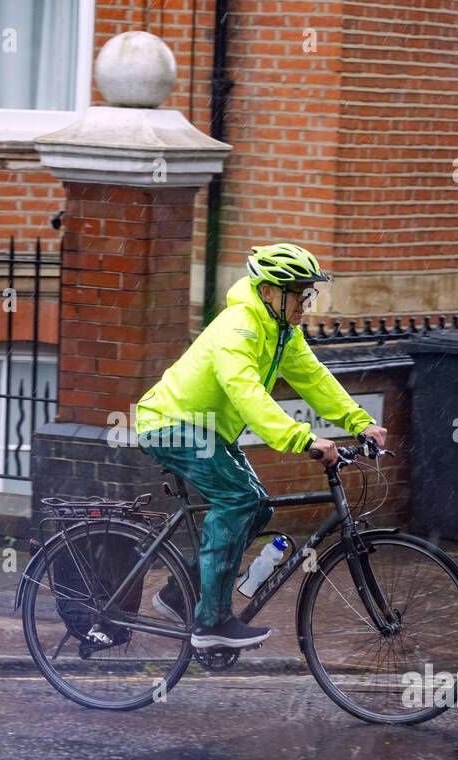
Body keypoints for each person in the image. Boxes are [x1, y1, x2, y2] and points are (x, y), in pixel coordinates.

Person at [135, 243, 388, 649]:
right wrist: (302, 438)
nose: (305, 302)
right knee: (236, 499)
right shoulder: (240, 327)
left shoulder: (282, 330)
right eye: (297, 292)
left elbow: (313, 378)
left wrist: (359, 422)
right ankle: (211, 623)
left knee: (259, 506)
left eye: (309, 292)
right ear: (268, 291)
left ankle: (178, 593)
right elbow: (247, 393)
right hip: (170, 424)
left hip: (209, 431)